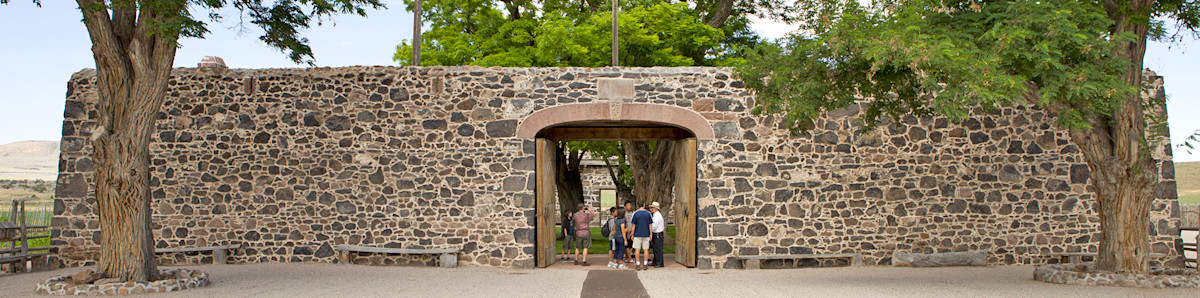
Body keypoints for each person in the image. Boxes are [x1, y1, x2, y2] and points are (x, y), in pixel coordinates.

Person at [630, 202, 653, 270]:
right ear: (644, 205)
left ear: (638, 205)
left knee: (637, 249)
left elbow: (633, 225)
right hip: (646, 233)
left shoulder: (635, 213)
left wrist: (632, 234)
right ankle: (645, 264)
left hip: (637, 234)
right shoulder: (648, 213)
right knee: (646, 249)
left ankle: (638, 264)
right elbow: (650, 225)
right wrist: (651, 233)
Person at [650, 202, 666, 268]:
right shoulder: (655, 215)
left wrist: (650, 230)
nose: (651, 209)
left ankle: (659, 262)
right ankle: (655, 261)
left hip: (657, 234)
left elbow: (654, 226)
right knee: (655, 248)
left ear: (656, 208)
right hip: (656, 234)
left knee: (658, 249)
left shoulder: (657, 216)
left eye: (653, 208)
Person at [623, 201, 636, 265]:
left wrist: (631, 230)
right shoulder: (624, 214)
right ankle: (629, 258)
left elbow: (633, 222)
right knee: (627, 245)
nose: (629, 206)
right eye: (628, 205)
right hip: (626, 231)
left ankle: (627, 258)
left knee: (631, 245)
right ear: (625, 206)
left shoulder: (633, 213)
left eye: (630, 205)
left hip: (632, 230)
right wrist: (627, 231)